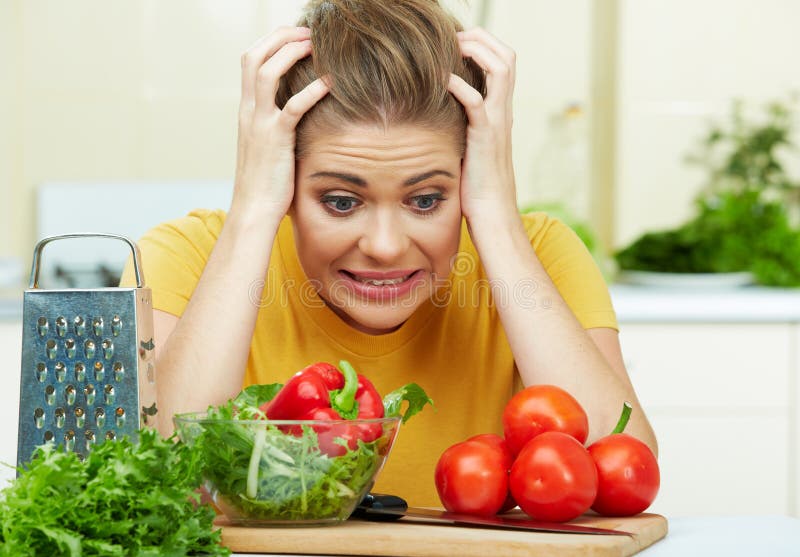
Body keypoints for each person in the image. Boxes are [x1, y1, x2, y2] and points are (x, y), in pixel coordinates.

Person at [121, 0, 657, 506]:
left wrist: (496, 215)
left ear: (469, 174)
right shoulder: (185, 257)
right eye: (340, 201)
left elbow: (621, 477)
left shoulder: (540, 253)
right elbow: (157, 487)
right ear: (285, 178)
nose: (384, 246)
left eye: (426, 200)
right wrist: (253, 209)